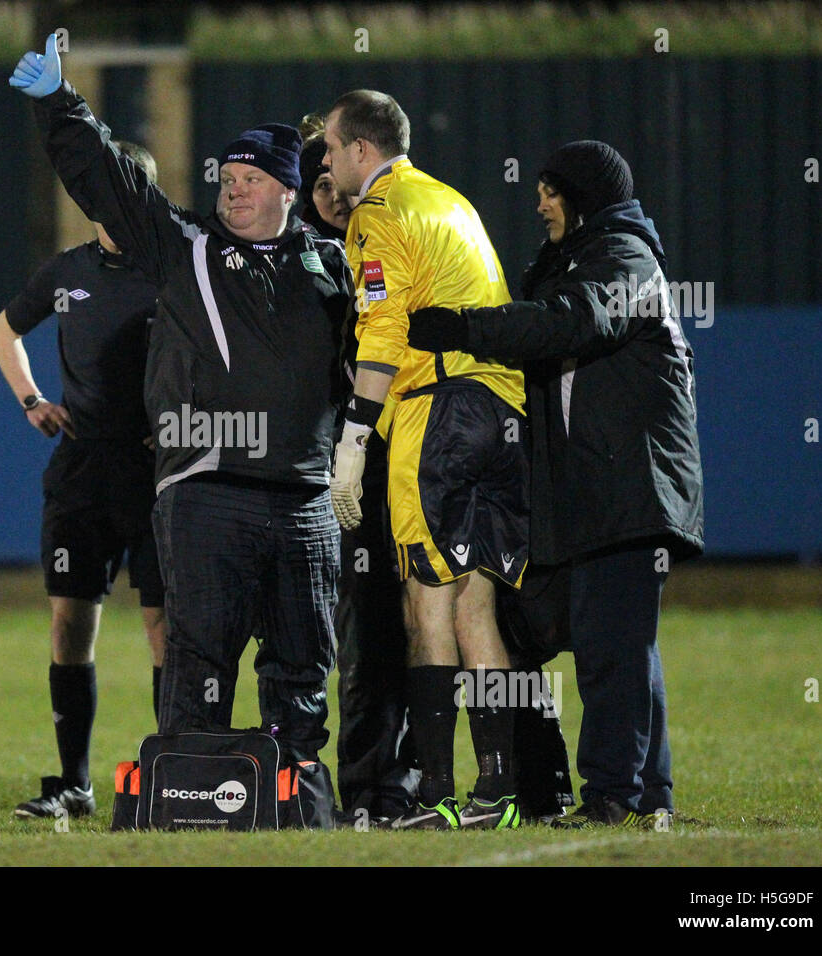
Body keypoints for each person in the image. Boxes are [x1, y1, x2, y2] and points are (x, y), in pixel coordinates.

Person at [11, 38, 352, 768]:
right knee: (199, 659)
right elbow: (112, 184)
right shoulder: (185, 249)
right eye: (228, 176)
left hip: (304, 493)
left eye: (251, 178)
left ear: (287, 189)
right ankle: (192, 789)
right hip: (207, 489)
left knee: (301, 664)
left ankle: (294, 790)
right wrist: (60, 104)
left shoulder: (331, 266)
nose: (233, 189)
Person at [406, 140, 703, 829]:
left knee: (608, 646)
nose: (538, 203)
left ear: (583, 196)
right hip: (593, 495)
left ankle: (610, 796)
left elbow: (575, 321)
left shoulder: (624, 259)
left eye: (550, 190)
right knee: (611, 643)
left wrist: (465, 329)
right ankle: (643, 794)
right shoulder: (579, 260)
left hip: (630, 491)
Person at [323, 90, 528, 830]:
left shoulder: (378, 213)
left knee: (425, 606)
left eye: (331, 147)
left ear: (361, 152)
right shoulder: (452, 202)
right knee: (476, 604)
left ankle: (436, 792)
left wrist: (352, 441)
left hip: (434, 411)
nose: (325, 160)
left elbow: (382, 328)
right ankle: (499, 792)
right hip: (499, 409)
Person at [0, 142, 167, 819]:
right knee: (69, 623)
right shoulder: (68, 271)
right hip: (84, 469)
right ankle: (74, 784)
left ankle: (172, 772)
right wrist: (32, 400)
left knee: (165, 628)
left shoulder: (175, 268)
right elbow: (4, 331)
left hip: (158, 473)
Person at [296, 121, 421, 822]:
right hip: (330, 471)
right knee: (350, 631)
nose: (333, 195)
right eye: (318, 184)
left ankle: (395, 787)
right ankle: (341, 789)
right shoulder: (307, 266)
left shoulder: (390, 239)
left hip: (391, 455)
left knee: (396, 624)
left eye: (334, 174)